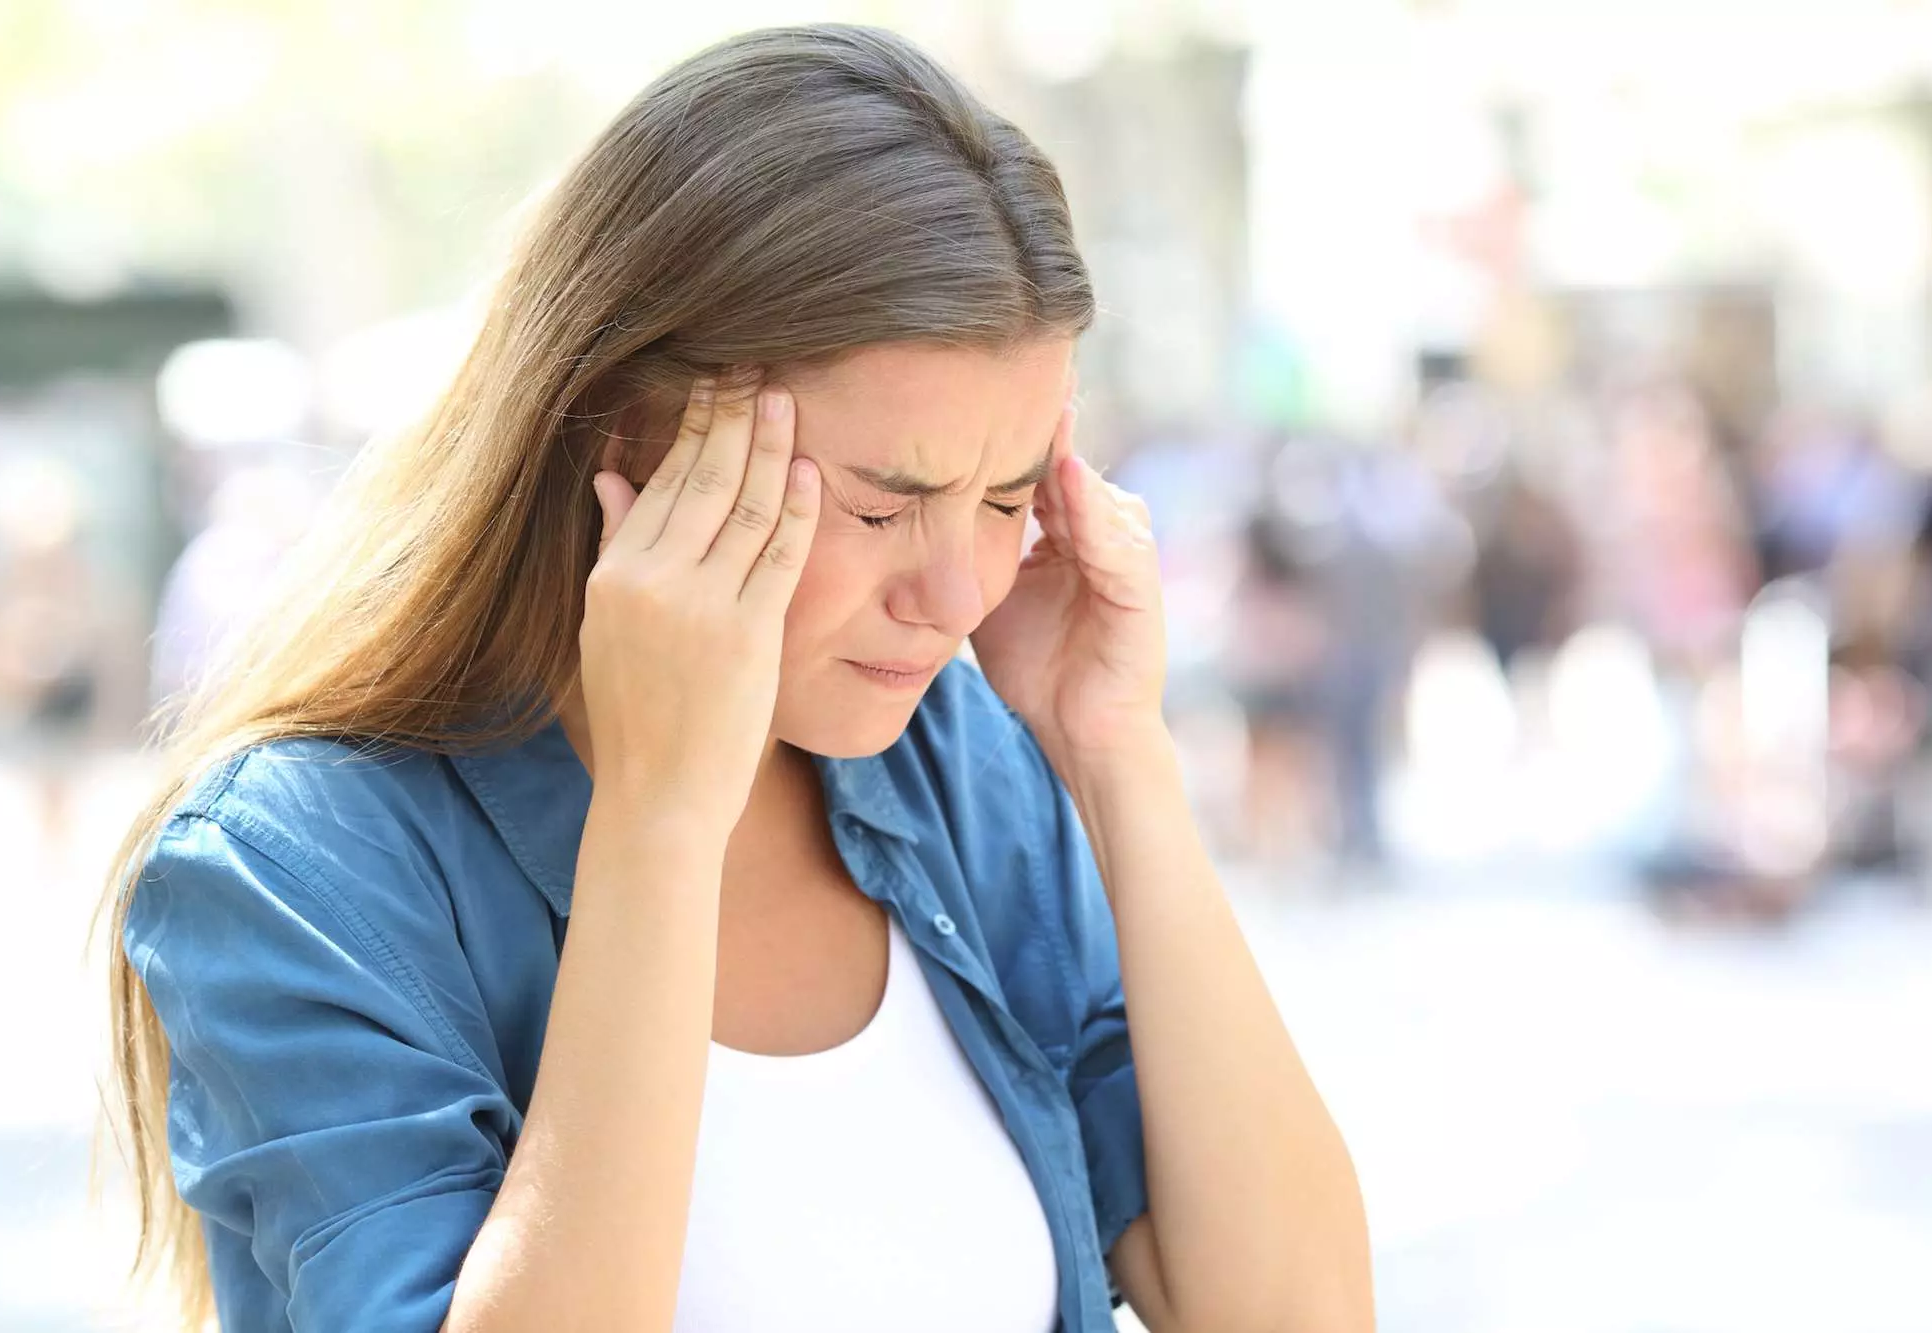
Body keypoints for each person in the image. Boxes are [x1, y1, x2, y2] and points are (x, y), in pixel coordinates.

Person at [95, 25, 1371, 1333]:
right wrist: (658, 823)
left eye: (1002, 500)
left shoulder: (958, 768)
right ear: (620, 431)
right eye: (886, 506)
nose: (957, 598)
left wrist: (1118, 756)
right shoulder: (296, 870)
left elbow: (1297, 1313)